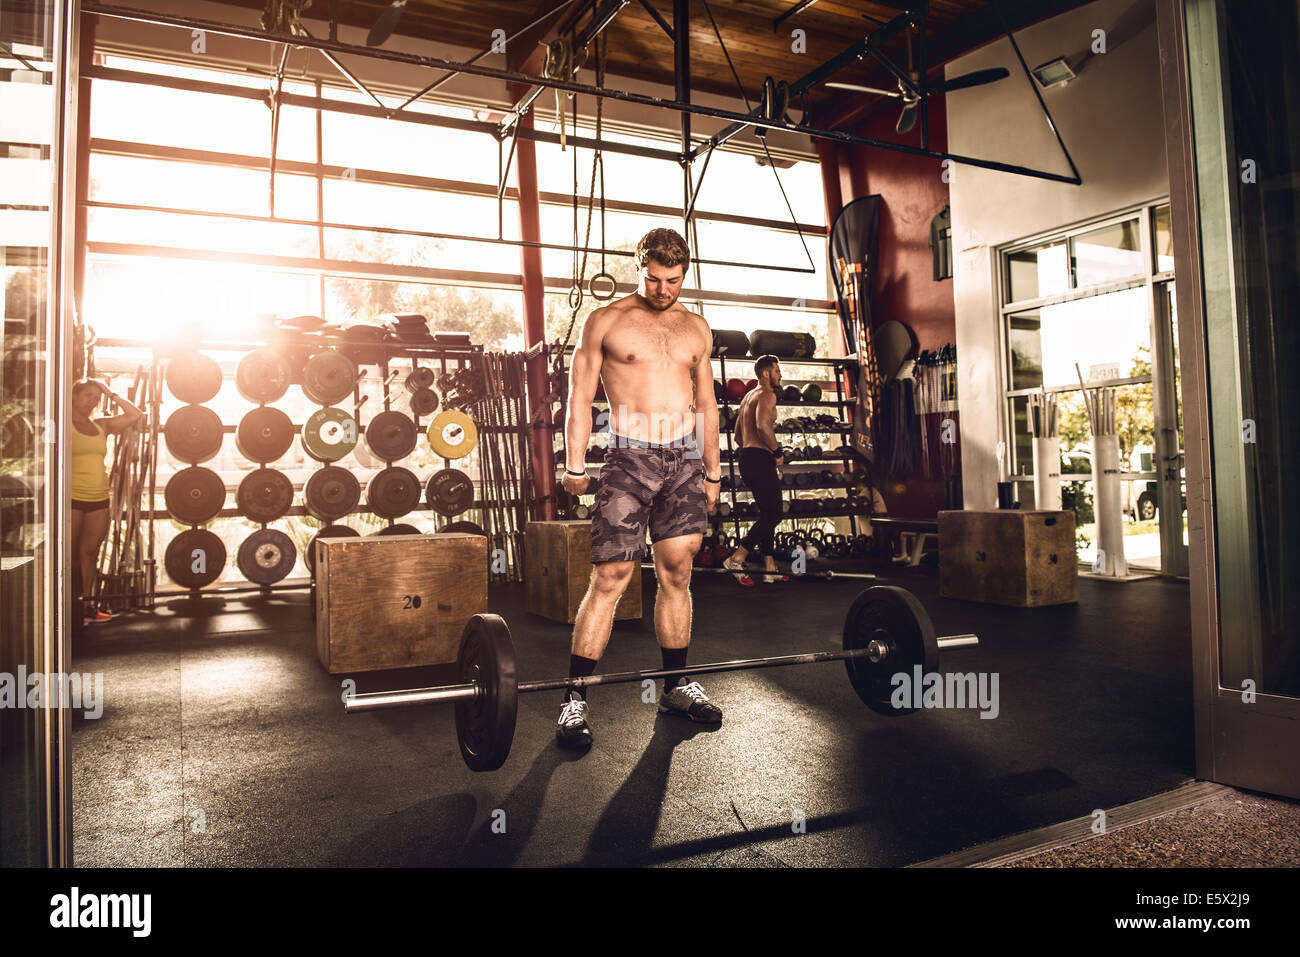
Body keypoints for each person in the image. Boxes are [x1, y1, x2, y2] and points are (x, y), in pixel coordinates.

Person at [556, 227, 723, 749]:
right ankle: (574, 700)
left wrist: (714, 472)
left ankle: (675, 686)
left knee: (678, 572)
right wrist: (574, 462)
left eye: (672, 280)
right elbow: (580, 397)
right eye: (652, 278)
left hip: (685, 462)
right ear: (639, 267)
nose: (661, 289)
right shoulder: (606, 321)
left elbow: (709, 405)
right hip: (628, 458)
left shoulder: (697, 328)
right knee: (611, 576)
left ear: (684, 273)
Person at [70, 379, 143, 624]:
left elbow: (135, 414)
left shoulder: (100, 425)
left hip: (98, 497)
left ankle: (88, 606)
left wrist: (109, 393)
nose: (92, 400)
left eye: (95, 397)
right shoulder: (60, 424)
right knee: (68, 554)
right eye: (87, 395)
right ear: (73, 396)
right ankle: (68, 608)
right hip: (71, 498)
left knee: (89, 553)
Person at [723, 356, 789, 585]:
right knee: (775, 514)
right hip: (760, 459)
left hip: (747, 458)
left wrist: (752, 452)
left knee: (767, 513)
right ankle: (737, 558)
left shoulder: (748, 396)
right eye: (777, 371)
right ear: (765, 374)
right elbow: (762, 427)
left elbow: (738, 436)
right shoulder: (768, 395)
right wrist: (777, 451)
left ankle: (770, 567)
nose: (780, 375)